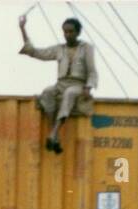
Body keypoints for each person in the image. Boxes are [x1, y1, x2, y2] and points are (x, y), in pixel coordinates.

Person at [19, 15, 98, 154]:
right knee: (47, 92)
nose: (67, 35)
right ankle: (54, 135)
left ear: (78, 32)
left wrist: (88, 87)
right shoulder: (59, 49)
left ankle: (54, 133)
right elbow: (36, 52)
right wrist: (23, 28)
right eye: (65, 32)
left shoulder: (86, 48)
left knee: (69, 93)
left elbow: (92, 71)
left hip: (77, 84)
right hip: (61, 83)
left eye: (71, 32)